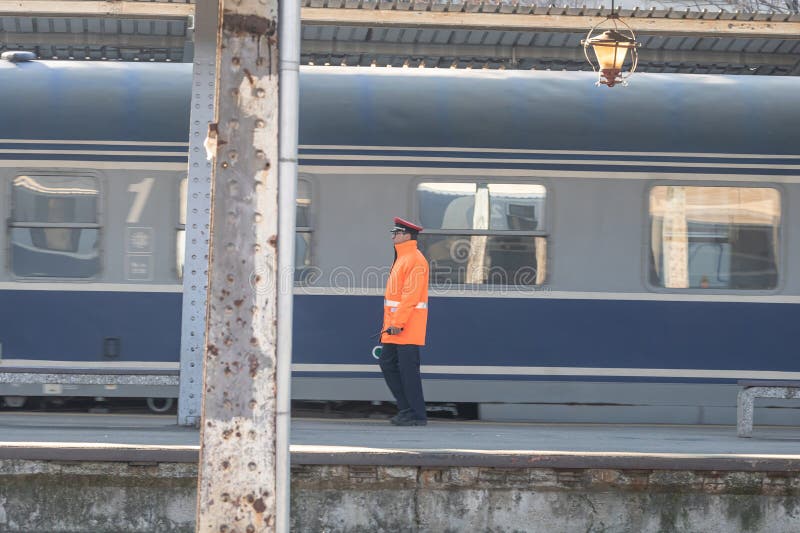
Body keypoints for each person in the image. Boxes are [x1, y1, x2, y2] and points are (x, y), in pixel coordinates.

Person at [379, 217, 430, 426]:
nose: (393, 236)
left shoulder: (415, 260)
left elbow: (411, 297)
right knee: (388, 363)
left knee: (408, 372)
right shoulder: (403, 258)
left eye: (396, 232)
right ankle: (407, 409)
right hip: (395, 328)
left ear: (407, 235)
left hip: (406, 328)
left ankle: (416, 414)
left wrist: (397, 324)